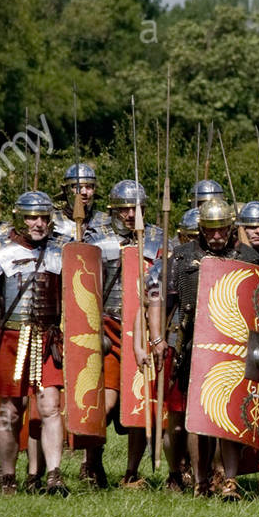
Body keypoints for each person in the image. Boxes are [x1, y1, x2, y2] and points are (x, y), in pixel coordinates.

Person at [149, 198, 259, 500]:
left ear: (231, 227)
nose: (216, 236)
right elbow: (162, 301)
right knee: (198, 419)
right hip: (193, 348)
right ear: (200, 228)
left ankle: (229, 481)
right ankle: (201, 481)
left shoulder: (249, 258)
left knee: (229, 413)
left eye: (221, 230)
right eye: (210, 230)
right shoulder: (183, 257)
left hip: (235, 348)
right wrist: (158, 339)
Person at [0, 191, 66, 494]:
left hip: (48, 339)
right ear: (21, 217)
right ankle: (7, 475)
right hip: (11, 339)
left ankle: (54, 475)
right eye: (33, 217)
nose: (40, 223)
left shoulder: (62, 252)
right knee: (9, 411)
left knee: (51, 406)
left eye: (45, 217)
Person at [85, 180, 165, 487]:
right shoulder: (97, 238)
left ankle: (131, 471)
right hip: (107, 325)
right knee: (104, 401)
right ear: (114, 210)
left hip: (144, 326)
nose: (131, 215)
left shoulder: (158, 238)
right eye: (124, 209)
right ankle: (93, 464)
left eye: (136, 208)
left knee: (139, 401)